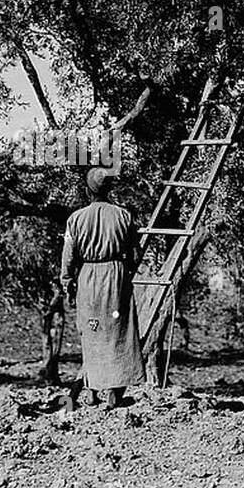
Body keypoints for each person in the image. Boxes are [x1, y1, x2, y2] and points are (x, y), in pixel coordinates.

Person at [60, 166, 145, 409]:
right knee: (118, 334)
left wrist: (67, 283)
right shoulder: (124, 216)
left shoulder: (76, 219)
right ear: (110, 190)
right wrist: (126, 270)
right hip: (116, 278)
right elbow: (136, 253)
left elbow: (68, 257)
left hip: (88, 280)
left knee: (92, 333)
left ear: (88, 191)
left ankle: (93, 389)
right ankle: (115, 392)